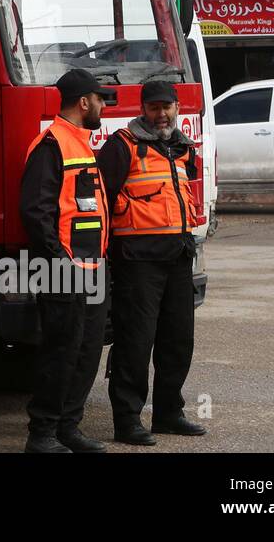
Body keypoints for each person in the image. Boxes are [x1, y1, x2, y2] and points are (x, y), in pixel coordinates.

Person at [98, 80, 206, 445]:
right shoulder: (121, 146)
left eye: (167, 107)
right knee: (136, 342)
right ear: (143, 109)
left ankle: (168, 413)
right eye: (154, 108)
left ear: (177, 108)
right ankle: (127, 420)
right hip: (137, 260)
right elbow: (101, 201)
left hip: (177, 255)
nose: (162, 114)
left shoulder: (180, 146)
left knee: (178, 339)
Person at [19, 69, 113, 453]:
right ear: (84, 101)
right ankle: (41, 435)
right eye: (100, 99)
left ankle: (68, 428)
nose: (104, 106)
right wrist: (64, 265)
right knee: (60, 353)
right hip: (64, 271)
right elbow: (36, 213)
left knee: (86, 351)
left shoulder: (81, 142)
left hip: (90, 269)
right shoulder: (51, 145)